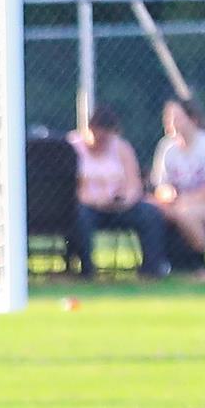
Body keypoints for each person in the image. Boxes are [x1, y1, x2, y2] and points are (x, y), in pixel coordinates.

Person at [68, 106, 171, 279]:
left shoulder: (121, 148)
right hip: (88, 207)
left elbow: (134, 185)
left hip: (119, 207)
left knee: (151, 214)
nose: (102, 142)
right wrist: (95, 201)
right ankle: (87, 271)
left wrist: (124, 200)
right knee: (80, 217)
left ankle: (151, 271)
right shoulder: (73, 147)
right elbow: (69, 188)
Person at [148, 97, 205, 277]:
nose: (171, 122)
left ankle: (202, 264)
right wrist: (168, 194)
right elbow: (161, 186)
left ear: (193, 119)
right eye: (168, 117)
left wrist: (188, 200)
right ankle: (159, 266)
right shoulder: (167, 147)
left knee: (186, 212)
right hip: (177, 205)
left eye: (177, 117)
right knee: (152, 210)